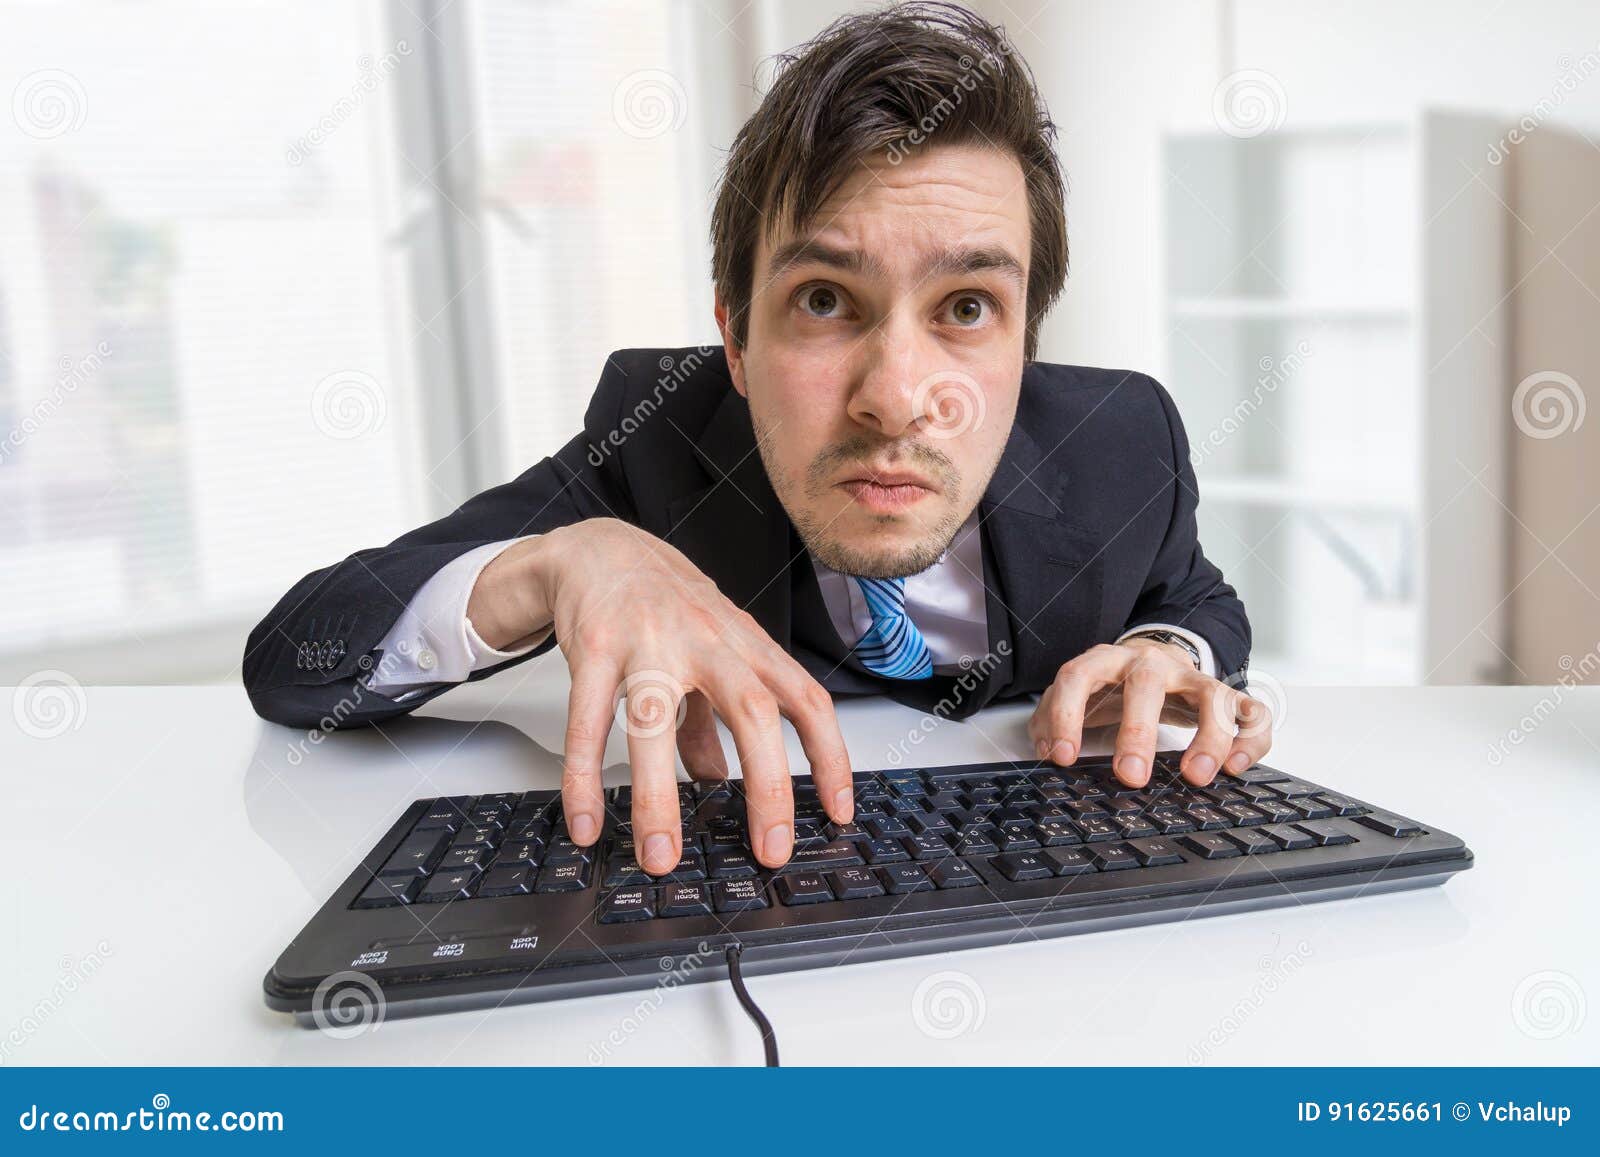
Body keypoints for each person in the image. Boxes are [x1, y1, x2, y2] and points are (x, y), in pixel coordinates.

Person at [244, 2, 1270, 877]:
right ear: (735, 338)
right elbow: (295, 655)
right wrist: (555, 562)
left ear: (1025, 346)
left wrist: (1164, 653)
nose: (894, 400)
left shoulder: (1122, 438)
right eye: (824, 299)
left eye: (966, 308)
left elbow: (1194, 600)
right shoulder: (657, 434)